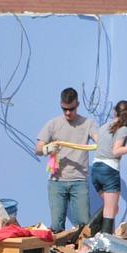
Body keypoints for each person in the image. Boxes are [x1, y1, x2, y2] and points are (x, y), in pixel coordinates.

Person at [35, 87, 96, 232]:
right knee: (56, 226)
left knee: (84, 225)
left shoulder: (88, 124)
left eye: (72, 109)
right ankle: (59, 252)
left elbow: (99, 141)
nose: (68, 113)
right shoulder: (53, 124)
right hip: (56, 181)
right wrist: (47, 149)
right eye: (64, 109)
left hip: (79, 180)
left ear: (78, 104)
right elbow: (37, 149)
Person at [90, 100, 127, 236]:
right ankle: (104, 243)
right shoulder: (123, 129)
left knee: (112, 207)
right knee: (110, 210)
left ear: (114, 112)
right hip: (109, 170)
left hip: (96, 170)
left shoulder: (104, 127)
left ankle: (90, 230)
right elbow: (116, 151)